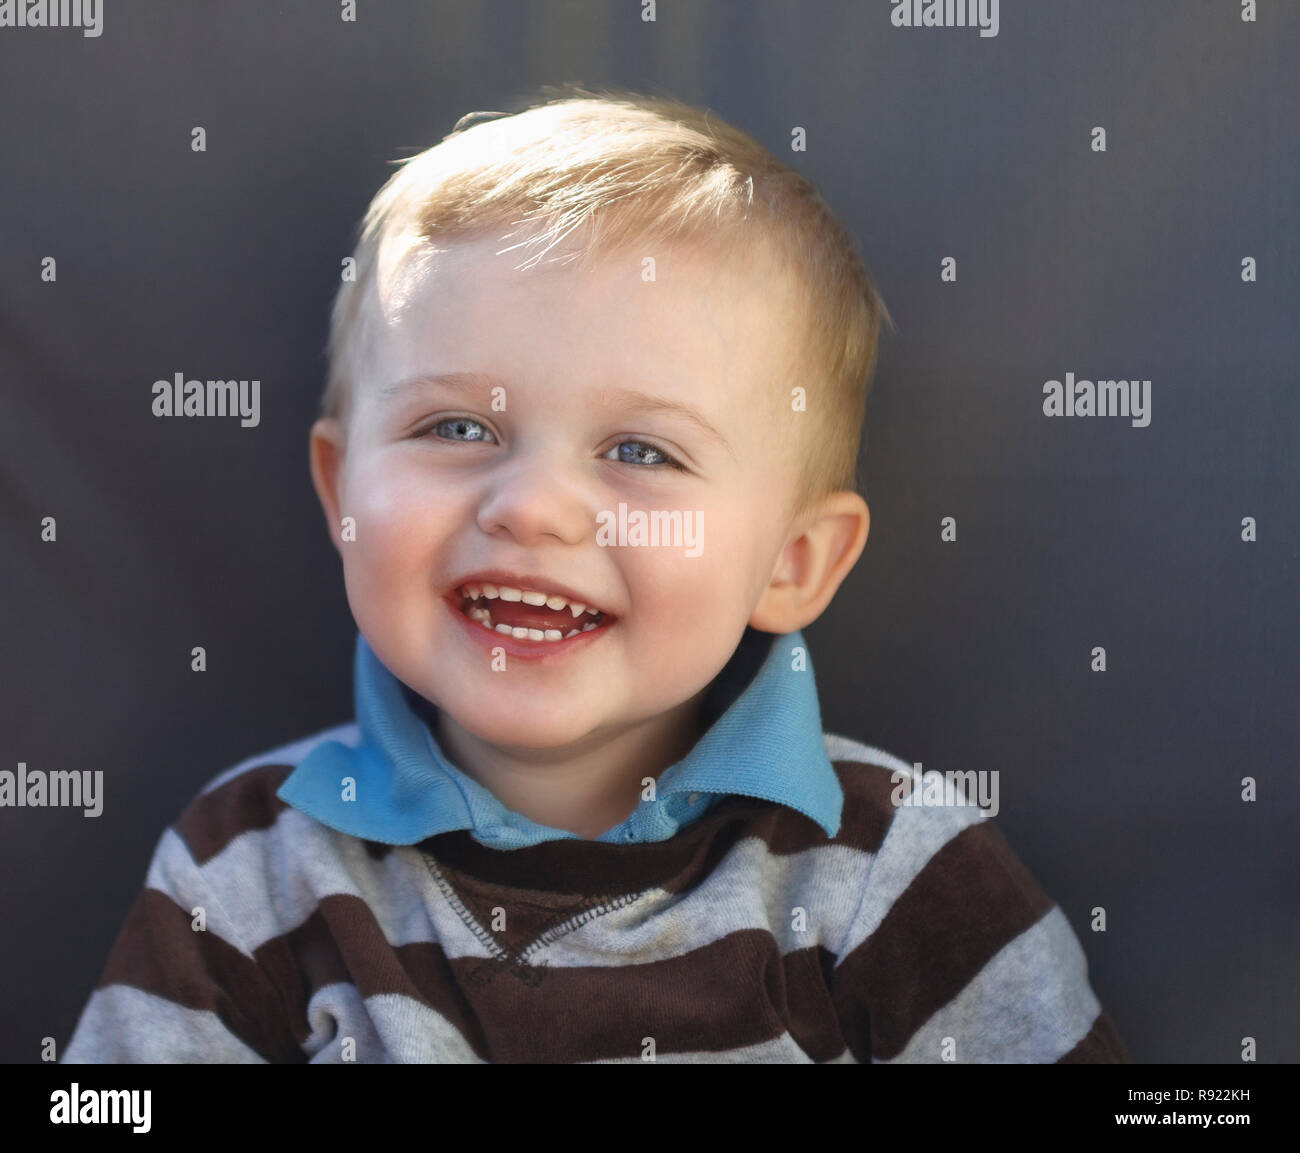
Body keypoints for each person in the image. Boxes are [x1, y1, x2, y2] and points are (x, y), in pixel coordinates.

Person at [63, 87, 1128, 1063]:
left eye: (640, 451)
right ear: (343, 492)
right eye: (458, 425)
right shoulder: (247, 871)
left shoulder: (898, 876)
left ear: (792, 563)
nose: (530, 505)